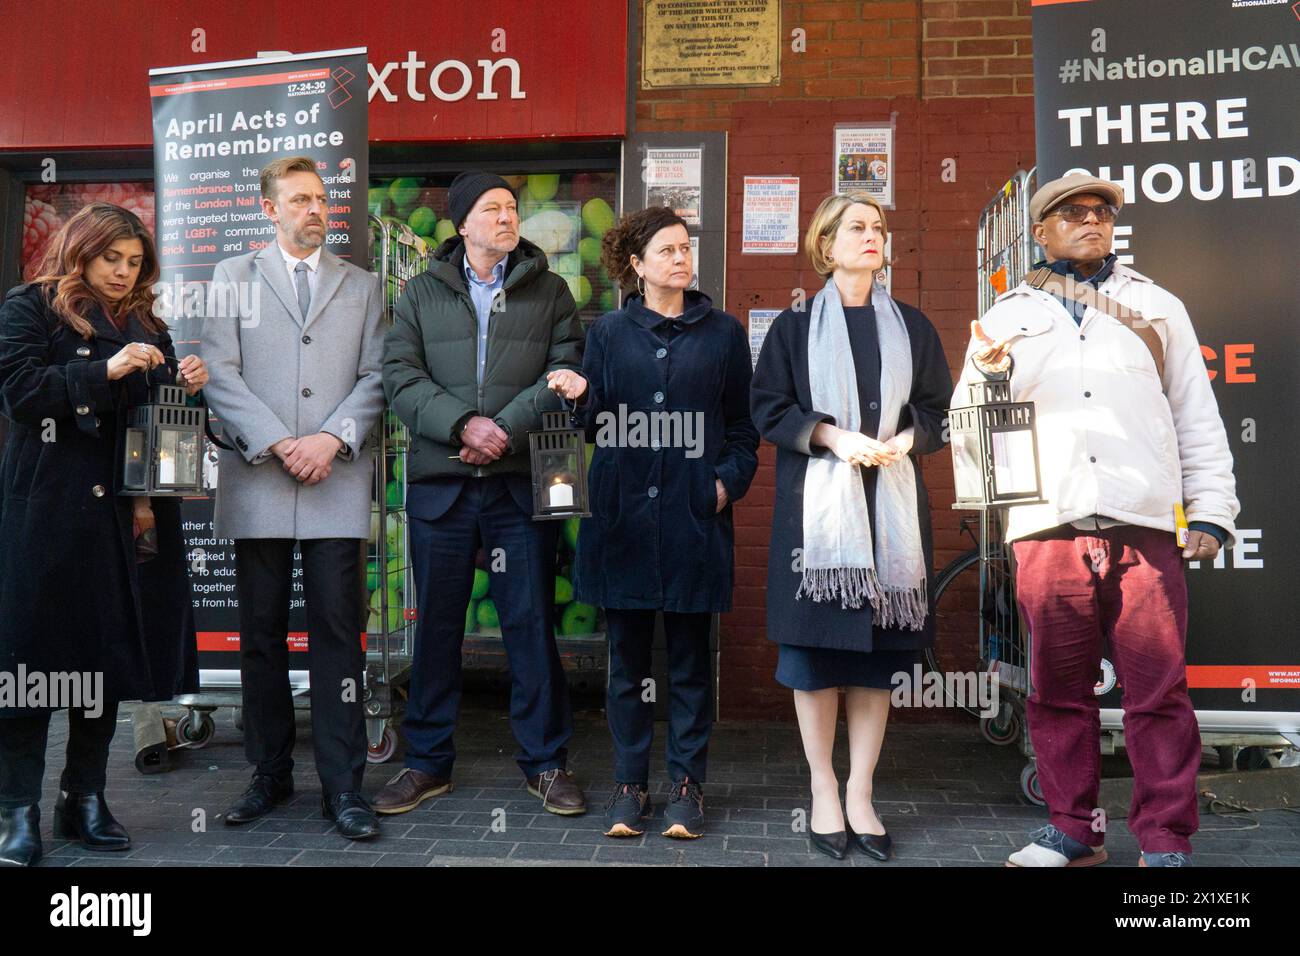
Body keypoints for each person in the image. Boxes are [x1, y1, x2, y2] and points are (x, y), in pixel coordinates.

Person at [960, 174, 1239, 868]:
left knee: (1159, 692)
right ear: (1042, 230)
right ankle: (1073, 830)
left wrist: (1211, 511)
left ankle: (1165, 839)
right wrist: (992, 379)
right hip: (1048, 527)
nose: (1090, 222)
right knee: (1057, 692)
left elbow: (1194, 417)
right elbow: (970, 432)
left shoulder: (1158, 307)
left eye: (1101, 213)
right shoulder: (1002, 318)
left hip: (1142, 525)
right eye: (1072, 213)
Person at [375, 171, 587, 816]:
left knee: (528, 626)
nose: (506, 218)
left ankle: (547, 763)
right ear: (462, 225)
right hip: (444, 486)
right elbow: (398, 375)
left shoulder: (550, 292)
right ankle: (426, 763)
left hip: (519, 485)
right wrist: (463, 425)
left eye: (512, 209)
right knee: (435, 628)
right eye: (491, 209)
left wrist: (503, 430)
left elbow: (566, 370)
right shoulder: (419, 293)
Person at [750, 192, 953, 861]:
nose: (871, 237)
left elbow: (937, 411)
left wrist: (904, 440)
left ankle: (861, 791)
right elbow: (767, 408)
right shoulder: (794, 326)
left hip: (891, 514)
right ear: (825, 244)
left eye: (878, 229)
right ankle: (823, 790)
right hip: (818, 519)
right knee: (815, 661)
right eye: (856, 228)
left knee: (876, 662)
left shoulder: (913, 327)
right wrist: (830, 435)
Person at [0, 202, 203, 866]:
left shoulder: (147, 323)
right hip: (51, 514)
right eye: (112, 258)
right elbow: (24, 395)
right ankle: (17, 811)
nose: (123, 272)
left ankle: (84, 798)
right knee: (34, 669)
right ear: (81, 250)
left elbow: (161, 420)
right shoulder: (28, 307)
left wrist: (184, 383)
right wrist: (106, 371)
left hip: (128, 519)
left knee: (104, 664)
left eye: (135, 262)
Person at [547, 207, 759, 839]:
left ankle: (687, 787)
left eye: (685, 248)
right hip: (624, 523)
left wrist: (723, 485)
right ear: (636, 266)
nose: (680, 258)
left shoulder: (723, 333)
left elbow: (744, 429)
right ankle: (629, 785)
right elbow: (596, 427)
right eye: (666, 250)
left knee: (692, 662)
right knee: (627, 664)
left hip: (694, 518)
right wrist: (585, 396)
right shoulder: (609, 332)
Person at [201, 156, 387, 841]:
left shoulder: (362, 284)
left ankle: (344, 788)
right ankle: (269, 774)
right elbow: (218, 371)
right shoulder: (231, 278)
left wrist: (331, 439)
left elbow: (376, 376)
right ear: (269, 209)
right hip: (262, 479)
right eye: (300, 199)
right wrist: (282, 442)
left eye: (321, 198)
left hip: (335, 481)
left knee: (340, 637)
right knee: (261, 637)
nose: (316, 208)